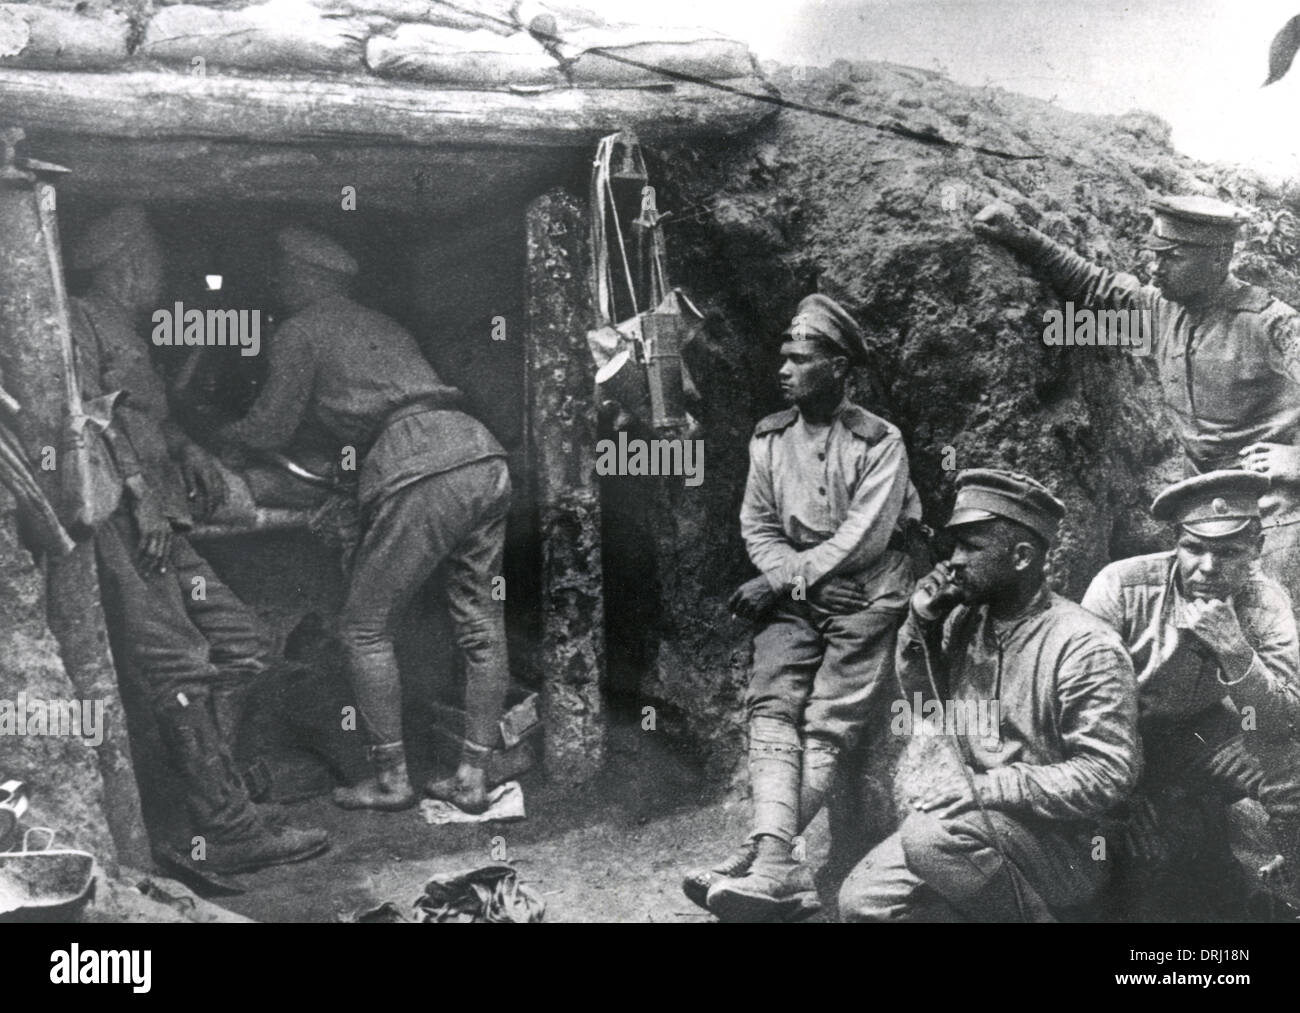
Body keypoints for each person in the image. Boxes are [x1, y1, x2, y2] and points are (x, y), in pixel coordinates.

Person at [218, 226, 511, 814]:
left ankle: (390, 779)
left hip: (418, 462)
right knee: (480, 624)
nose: (276, 283)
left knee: (364, 629)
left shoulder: (300, 331)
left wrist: (223, 438)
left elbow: (272, 427)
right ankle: (473, 777)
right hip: (480, 452)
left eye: (283, 274)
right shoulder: (382, 323)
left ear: (309, 278)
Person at [70, 206, 328, 873]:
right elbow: (89, 419)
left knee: (243, 646)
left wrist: (191, 453)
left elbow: (152, 421)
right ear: (125, 265)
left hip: (159, 519)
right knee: (179, 665)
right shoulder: (78, 318)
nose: (162, 271)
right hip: (126, 522)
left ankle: (217, 804)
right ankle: (229, 829)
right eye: (153, 257)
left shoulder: (125, 330)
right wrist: (137, 494)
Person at [684, 293, 922, 922]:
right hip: (805, 591)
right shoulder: (770, 437)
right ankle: (773, 861)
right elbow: (758, 528)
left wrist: (789, 580)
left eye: (800, 359)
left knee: (827, 718)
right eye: (782, 358)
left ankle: (765, 863)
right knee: (771, 703)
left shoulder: (879, 441)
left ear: (840, 368)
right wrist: (796, 585)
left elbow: (862, 538)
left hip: (868, 591)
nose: (784, 370)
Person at [972, 194, 1300, 624]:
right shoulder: (1161, 310)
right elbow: (1095, 286)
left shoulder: (1272, 323)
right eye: (1154, 256)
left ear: (1219, 257)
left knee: (1276, 624)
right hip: (1202, 502)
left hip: (1274, 509)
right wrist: (1022, 237)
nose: (1154, 268)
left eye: (1171, 257)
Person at [838, 468, 1141, 922]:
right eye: (954, 546)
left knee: (930, 840)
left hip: (1068, 842)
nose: (953, 561)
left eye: (972, 547)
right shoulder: (966, 623)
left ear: (1021, 556)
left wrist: (988, 787)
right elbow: (926, 706)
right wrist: (922, 624)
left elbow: (1108, 775)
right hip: (978, 832)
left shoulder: (1084, 644)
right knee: (865, 902)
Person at [1082, 470, 1300, 917]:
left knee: (1288, 765)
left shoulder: (1264, 602)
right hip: (1122, 747)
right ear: (1175, 543)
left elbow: (1287, 718)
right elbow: (1081, 710)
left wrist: (1237, 652)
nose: (1207, 567)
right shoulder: (1122, 588)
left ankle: (1286, 877)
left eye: (1227, 552)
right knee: (1133, 858)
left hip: (1200, 739)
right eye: (1193, 548)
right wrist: (1119, 797)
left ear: (1256, 551)